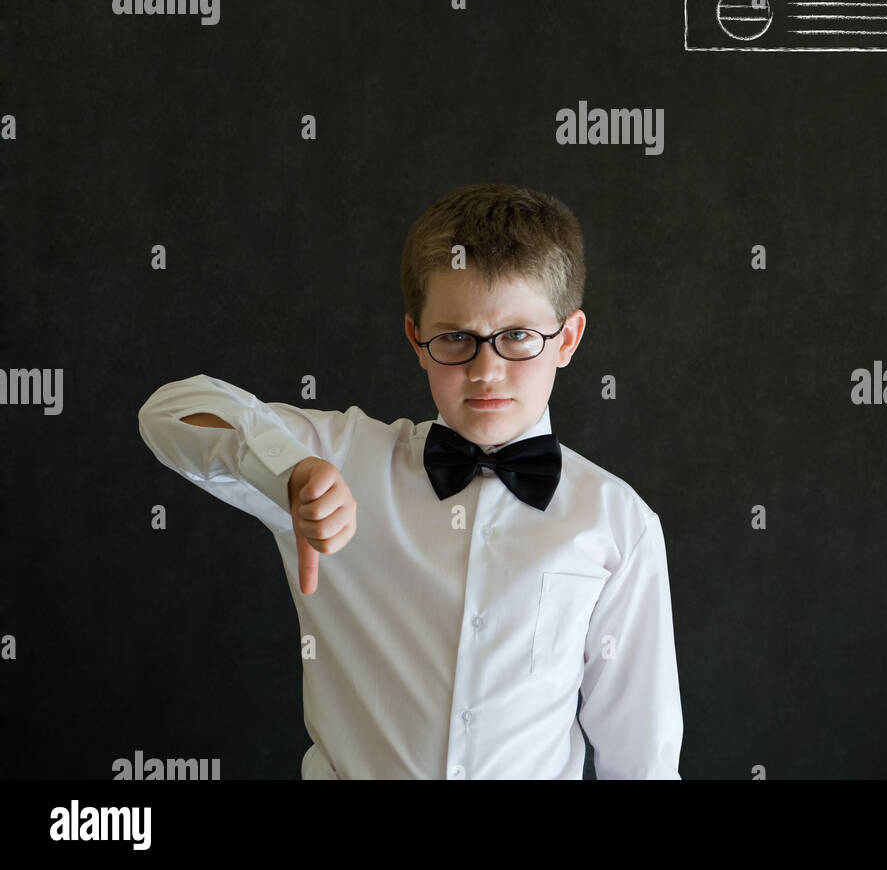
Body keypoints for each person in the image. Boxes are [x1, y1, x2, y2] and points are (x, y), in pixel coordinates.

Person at [137, 182, 682, 779]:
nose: (486, 371)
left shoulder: (618, 521)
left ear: (568, 339)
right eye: (455, 338)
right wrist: (287, 469)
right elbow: (168, 413)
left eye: (518, 336)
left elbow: (643, 758)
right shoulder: (343, 457)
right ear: (416, 340)